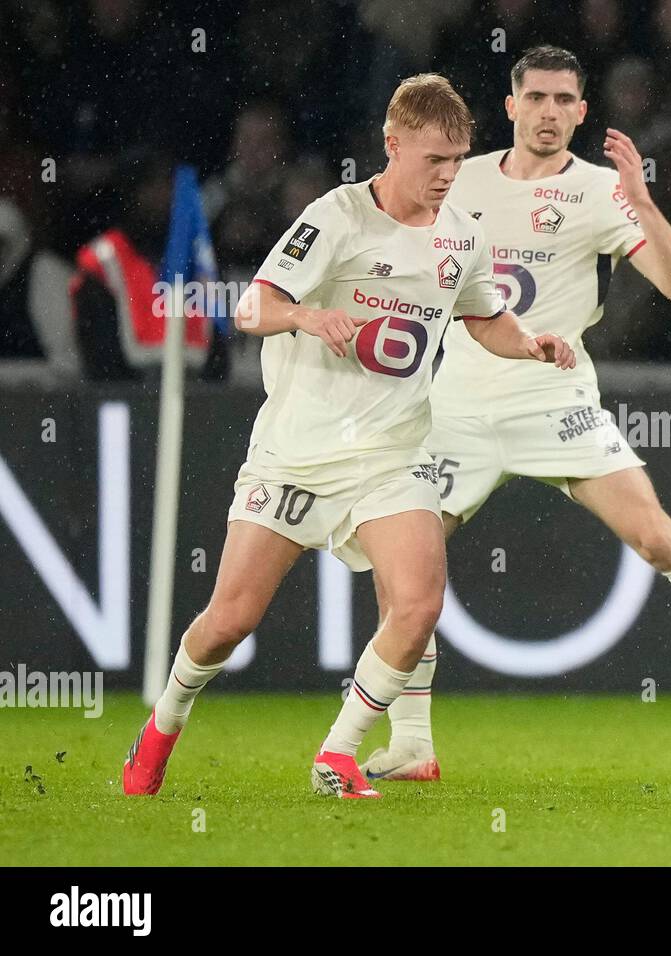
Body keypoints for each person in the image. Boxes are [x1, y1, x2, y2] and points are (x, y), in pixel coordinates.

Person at [362, 46, 671, 783]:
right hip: (454, 403)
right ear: (512, 105)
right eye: (537, 98)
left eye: (564, 100)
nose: (550, 112)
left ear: (582, 112)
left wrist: (643, 204)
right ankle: (413, 742)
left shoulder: (599, 192)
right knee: (403, 568)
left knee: (656, 537)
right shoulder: (464, 180)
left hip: (556, 399)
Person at [121, 73, 575, 800]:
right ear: (392, 146)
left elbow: (482, 315)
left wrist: (530, 343)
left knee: (420, 603)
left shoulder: (463, 236)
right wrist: (308, 317)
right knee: (228, 622)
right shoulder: (336, 218)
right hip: (297, 452)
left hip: (391, 454)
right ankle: (159, 730)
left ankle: (337, 753)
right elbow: (250, 308)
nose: (447, 176)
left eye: (458, 160)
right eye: (433, 160)